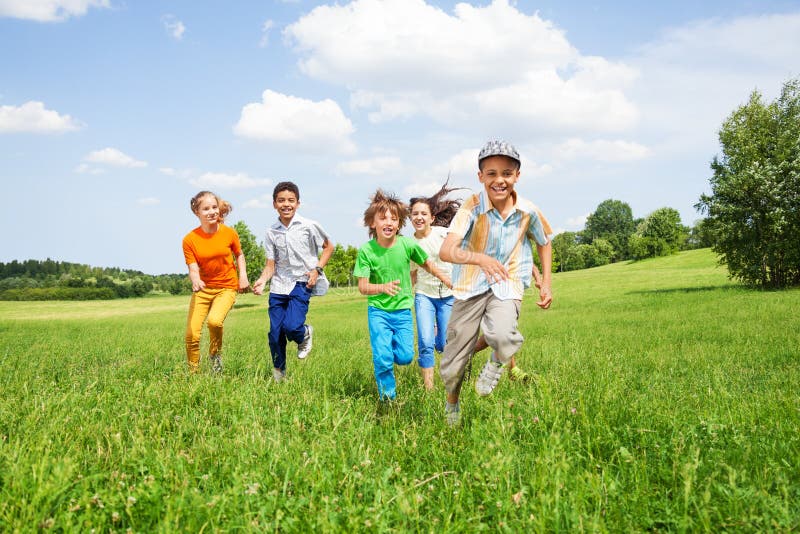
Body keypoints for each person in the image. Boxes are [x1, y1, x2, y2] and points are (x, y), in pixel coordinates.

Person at [439, 140, 553, 425]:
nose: (499, 180)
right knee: (453, 366)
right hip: (470, 286)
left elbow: (544, 243)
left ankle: (496, 363)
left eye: (506, 173)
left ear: (517, 176)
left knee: (503, 334)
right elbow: (446, 250)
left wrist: (546, 282)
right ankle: (452, 403)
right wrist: (480, 259)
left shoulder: (528, 211)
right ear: (481, 177)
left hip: (509, 280)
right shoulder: (472, 207)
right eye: (491, 173)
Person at [354, 189, 452, 401]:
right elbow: (363, 286)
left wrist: (445, 279)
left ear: (399, 224)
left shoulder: (408, 245)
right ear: (373, 223)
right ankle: (388, 398)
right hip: (378, 311)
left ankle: (388, 354)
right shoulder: (366, 251)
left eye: (394, 218)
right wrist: (382, 287)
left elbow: (427, 264)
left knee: (406, 357)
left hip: (402, 312)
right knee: (382, 358)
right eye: (383, 218)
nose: (389, 222)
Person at [252, 181, 334, 383]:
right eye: (281, 201)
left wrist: (317, 269)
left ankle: (305, 333)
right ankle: (279, 375)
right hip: (279, 286)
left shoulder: (309, 226)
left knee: (292, 326)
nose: (286, 204)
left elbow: (329, 247)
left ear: (298, 203)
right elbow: (271, 264)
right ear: (274, 204)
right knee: (275, 333)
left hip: (302, 282)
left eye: (291, 200)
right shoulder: (272, 232)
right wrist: (262, 280)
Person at [182, 191, 250, 374]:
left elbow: (239, 254)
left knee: (214, 322)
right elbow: (192, 267)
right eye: (206, 208)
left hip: (226, 287)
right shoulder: (189, 240)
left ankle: (215, 358)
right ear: (197, 212)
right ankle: (193, 373)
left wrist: (243, 276)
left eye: (214, 207)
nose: (212, 212)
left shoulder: (229, 233)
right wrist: (195, 280)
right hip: (203, 290)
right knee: (192, 334)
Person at [408, 182, 461, 390]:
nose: (419, 217)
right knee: (425, 342)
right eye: (415, 214)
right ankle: (429, 389)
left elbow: (459, 253)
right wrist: (403, 296)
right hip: (424, 296)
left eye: (423, 213)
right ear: (411, 218)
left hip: (449, 295)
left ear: (431, 217)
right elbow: (412, 274)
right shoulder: (410, 245)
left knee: (443, 344)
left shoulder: (442, 233)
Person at [471, 263, 543, 382]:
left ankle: (469, 352)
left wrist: (539, 280)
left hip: (514, 292)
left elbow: (528, 262)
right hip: (494, 290)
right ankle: (512, 370)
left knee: (500, 331)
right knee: (503, 329)